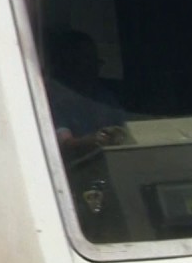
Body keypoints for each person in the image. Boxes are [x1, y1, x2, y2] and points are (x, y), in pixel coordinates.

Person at [43, 29, 128, 164]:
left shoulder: (103, 97)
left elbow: (128, 130)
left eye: (94, 61)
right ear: (67, 64)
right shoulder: (52, 100)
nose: (91, 67)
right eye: (84, 60)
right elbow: (66, 145)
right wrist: (96, 140)